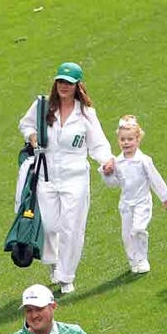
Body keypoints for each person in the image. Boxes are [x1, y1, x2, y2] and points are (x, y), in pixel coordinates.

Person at [19, 62, 116, 295]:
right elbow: (25, 123)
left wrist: (106, 161)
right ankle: (53, 261)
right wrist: (32, 136)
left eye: (69, 83)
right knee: (49, 225)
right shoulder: (42, 106)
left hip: (75, 180)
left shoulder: (86, 114)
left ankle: (66, 276)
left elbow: (98, 143)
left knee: (72, 228)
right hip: (47, 177)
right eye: (61, 82)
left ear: (77, 86)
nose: (64, 86)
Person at [101, 115, 167, 274]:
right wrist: (106, 173)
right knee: (127, 235)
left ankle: (142, 259)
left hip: (142, 203)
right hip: (126, 205)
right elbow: (114, 183)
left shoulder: (144, 160)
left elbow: (155, 179)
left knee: (139, 229)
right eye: (122, 139)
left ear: (138, 139)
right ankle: (133, 261)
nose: (126, 143)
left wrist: (164, 197)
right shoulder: (117, 162)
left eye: (130, 139)